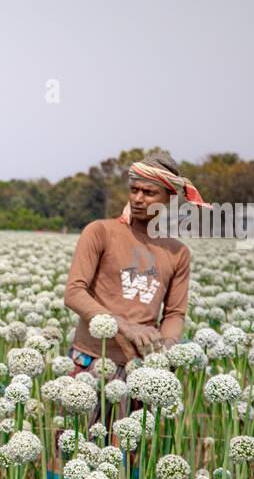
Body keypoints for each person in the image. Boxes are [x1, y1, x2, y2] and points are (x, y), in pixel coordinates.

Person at [63, 153, 201, 384]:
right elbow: (74, 293)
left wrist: (167, 348)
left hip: (140, 369)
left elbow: (174, 314)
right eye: (134, 190)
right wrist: (125, 326)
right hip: (90, 361)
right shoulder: (100, 232)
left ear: (168, 198)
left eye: (149, 193)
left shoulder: (177, 252)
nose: (138, 198)